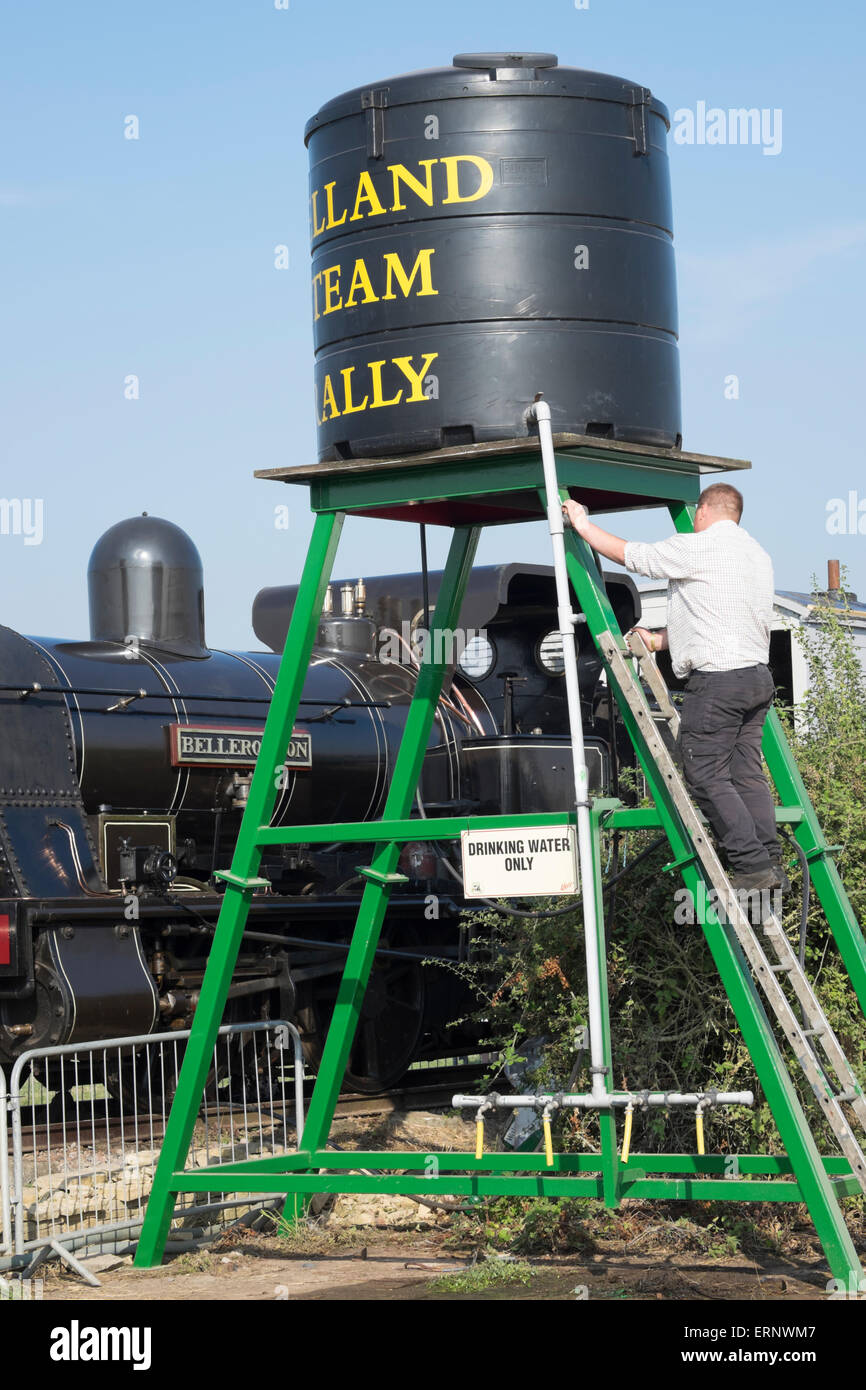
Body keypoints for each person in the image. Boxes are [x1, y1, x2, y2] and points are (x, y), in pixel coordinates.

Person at [562, 483, 785, 894]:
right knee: (746, 772)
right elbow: (719, 618)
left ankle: (750, 865)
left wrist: (582, 525)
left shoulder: (699, 546)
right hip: (755, 678)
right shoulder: (756, 554)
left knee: (703, 772)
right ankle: (768, 861)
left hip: (718, 681)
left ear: (702, 512)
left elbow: (636, 557)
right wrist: (659, 640)